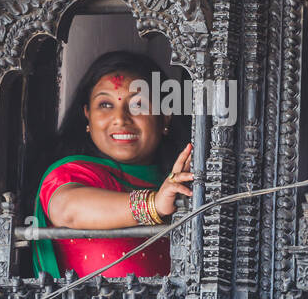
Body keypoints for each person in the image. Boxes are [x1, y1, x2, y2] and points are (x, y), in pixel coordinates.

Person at [33, 50, 194, 279]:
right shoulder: (70, 173)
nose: (120, 118)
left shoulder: (181, 181)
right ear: (87, 115)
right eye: (106, 105)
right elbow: (67, 210)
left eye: (138, 104)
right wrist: (153, 205)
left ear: (165, 116)